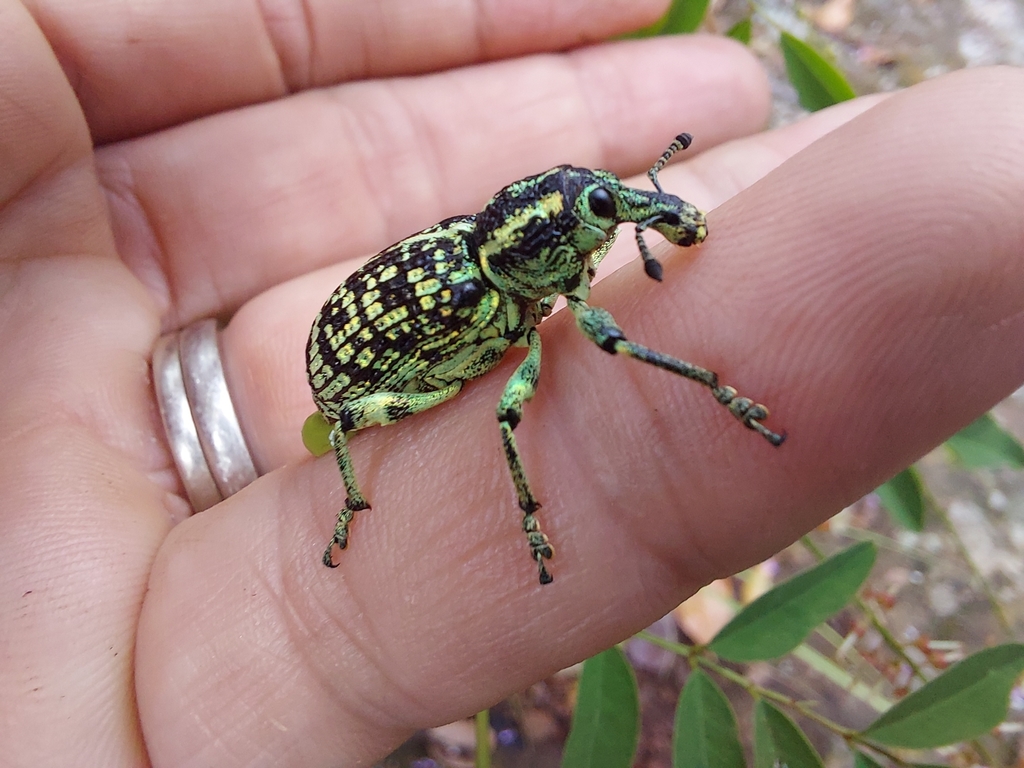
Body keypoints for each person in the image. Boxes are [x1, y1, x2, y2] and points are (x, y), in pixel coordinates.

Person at [1, 1, 1022, 766]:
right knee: (463, 413)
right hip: (361, 370)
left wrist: (640, 209)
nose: (618, 212)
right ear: (534, 235)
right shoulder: (493, 300)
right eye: (597, 214)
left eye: (606, 206)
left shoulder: (532, 255)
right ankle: (379, 497)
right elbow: (544, 388)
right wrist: (717, 391)